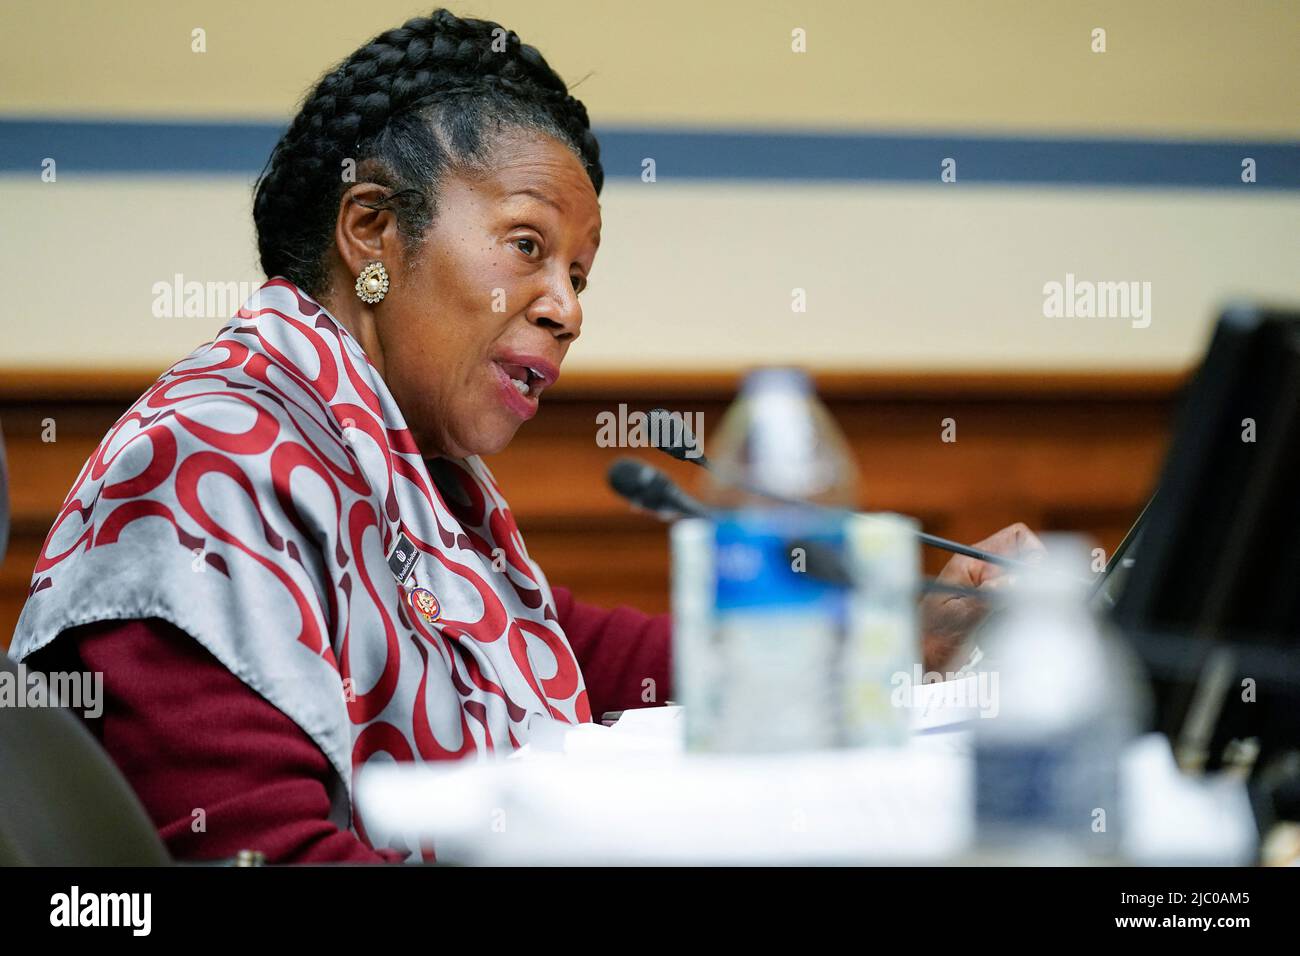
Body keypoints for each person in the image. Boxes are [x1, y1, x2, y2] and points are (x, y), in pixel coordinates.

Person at [10, 8, 1041, 863]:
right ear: (371, 230)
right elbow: (258, 854)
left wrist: (904, 625)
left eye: (578, 275)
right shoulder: (205, 460)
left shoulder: (399, 467)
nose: (565, 308)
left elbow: (582, 654)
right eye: (525, 246)